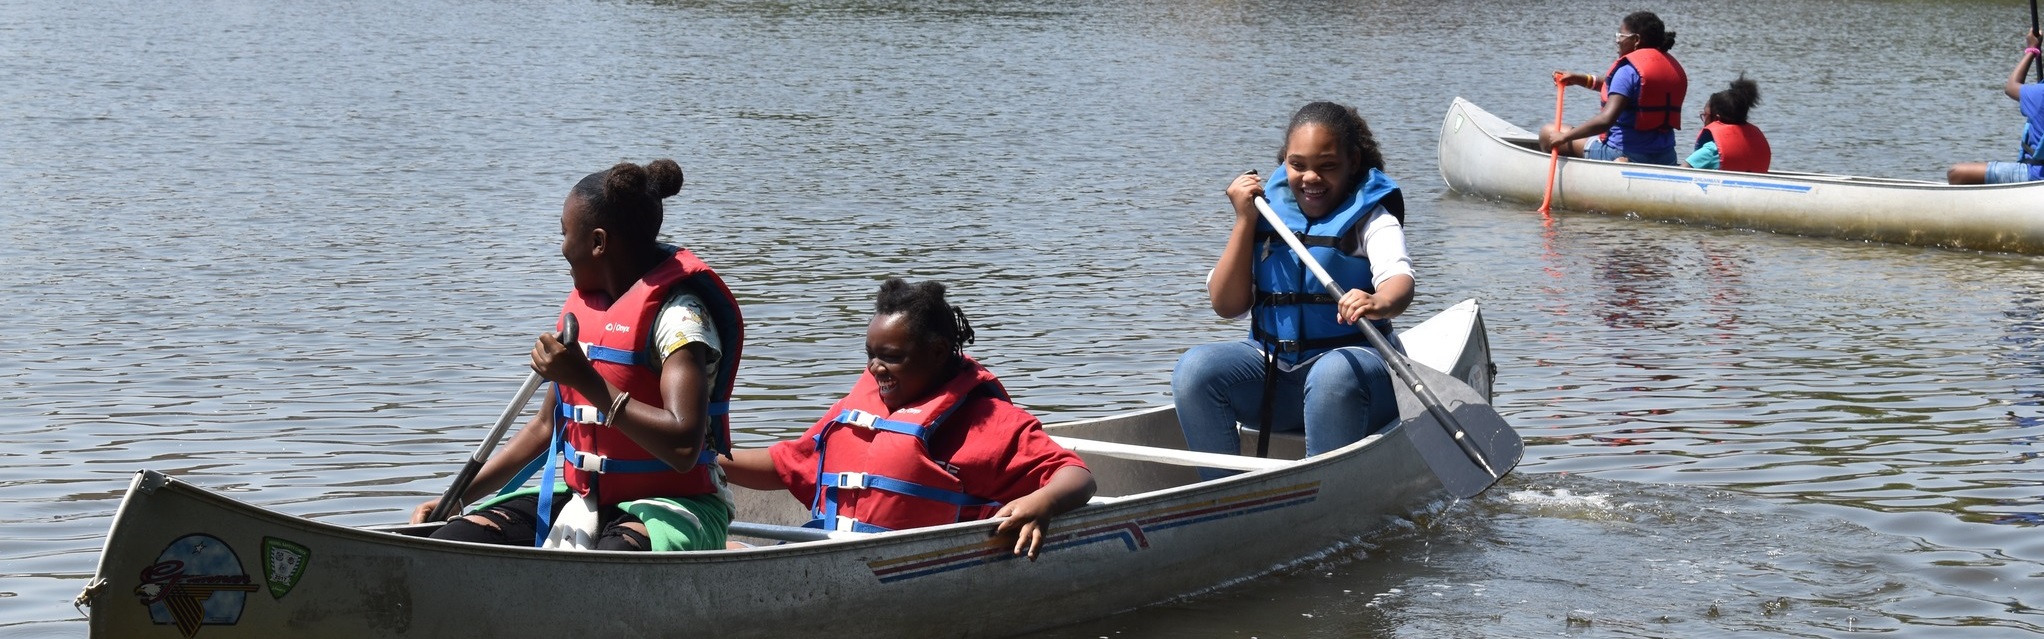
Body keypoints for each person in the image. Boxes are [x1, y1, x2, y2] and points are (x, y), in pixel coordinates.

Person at [409, 159, 744, 552]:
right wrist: (458, 497)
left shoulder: (679, 317)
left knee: (608, 563)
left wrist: (583, 378)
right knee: (453, 540)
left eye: (565, 234)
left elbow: (684, 449)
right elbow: (543, 427)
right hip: (586, 497)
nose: (562, 246)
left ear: (598, 243)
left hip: (675, 505)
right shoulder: (585, 313)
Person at [721, 279, 1095, 560]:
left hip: (905, 566)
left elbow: (1077, 476)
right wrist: (708, 457)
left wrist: (1043, 502)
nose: (875, 368)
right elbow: (785, 464)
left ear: (936, 352)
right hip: (826, 558)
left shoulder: (989, 422)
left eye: (892, 356)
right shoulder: (859, 409)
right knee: (717, 543)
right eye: (871, 354)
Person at [1171, 101, 1413, 481]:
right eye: (1297, 165)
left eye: (1327, 166)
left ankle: (1319, 495)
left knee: (1332, 374)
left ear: (1353, 161)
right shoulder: (1266, 213)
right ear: (1284, 161)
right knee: (1195, 370)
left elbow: (1400, 284)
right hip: (1276, 380)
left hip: (1357, 379)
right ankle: (1222, 497)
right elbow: (1226, 304)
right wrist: (1244, 221)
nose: (1311, 177)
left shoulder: (1372, 218)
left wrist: (1377, 301)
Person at [1540, 11, 1689, 166]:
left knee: (1548, 133)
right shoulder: (1670, 67)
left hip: (1621, 154)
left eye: (1620, 36)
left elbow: (1605, 120)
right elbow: (1623, 88)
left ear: (1636, 40)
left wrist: (1564, 137)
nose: (1617, 41)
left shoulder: (1628, 71)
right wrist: (1580, 79)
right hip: (1666, 157)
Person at [1948, 30, 2044, 184]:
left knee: (1956, 173)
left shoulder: (2040, 93)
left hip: (2037, 176)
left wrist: (2032, 50)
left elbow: (2011, 87)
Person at [1682, 75, 1770, 172]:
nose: (1703, 119)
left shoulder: (1712, 151)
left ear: (1716, 118)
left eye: (1705, 115)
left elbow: (1681, 173)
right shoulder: (1755, 146)